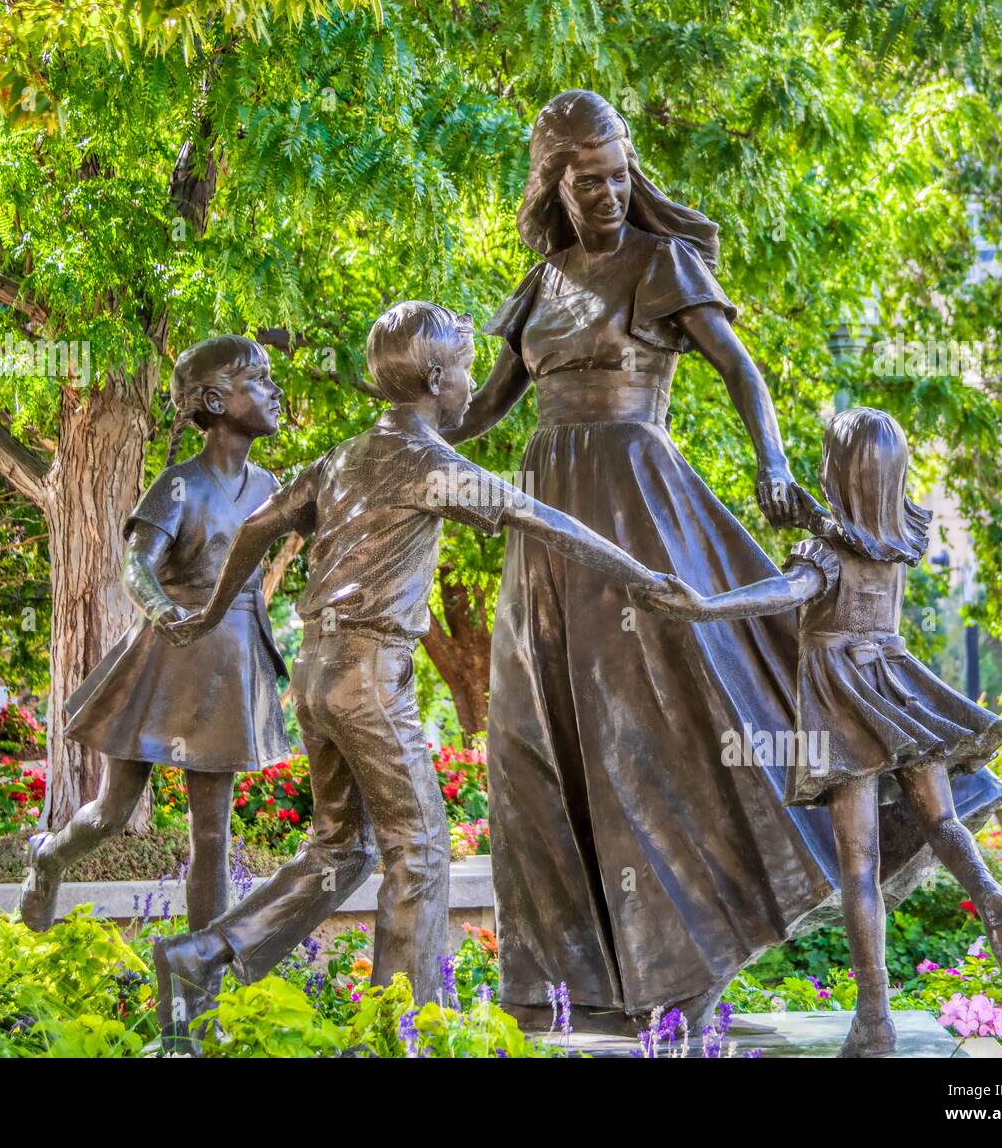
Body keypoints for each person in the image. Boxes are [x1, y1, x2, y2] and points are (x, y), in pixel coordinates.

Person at [446, 89, 1002, 1030]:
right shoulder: (541, 289)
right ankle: (576, 983)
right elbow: (479, 413)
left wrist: (773, 464)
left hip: (640, 510)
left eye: (621, 174)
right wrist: (401, 452)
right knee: (538, 733)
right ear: (554, 183)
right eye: (589, 181)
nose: (611, 193)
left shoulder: (659, 260)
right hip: (546, 522)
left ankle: (690, 955)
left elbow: (741, 370)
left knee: (673, 718)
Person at [152, 301, 682, 1049]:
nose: (471, 386)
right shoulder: (429, 463)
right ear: (438, 376)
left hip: (315, 670)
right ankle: (397, 1038)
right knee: (421, 848)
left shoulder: (342, 458)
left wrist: (208, 614)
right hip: (368, 671)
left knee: (340, 849)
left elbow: (258, 524)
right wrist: (643, 575)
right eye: (466, 370)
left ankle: (201, 954)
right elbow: (542, 519)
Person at [640, 407, 1002, 1056]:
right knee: (941, 820)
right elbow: (851, 547)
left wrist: (706, 605)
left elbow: (780, 591)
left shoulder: (823, 552)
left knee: (860, 864)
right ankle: (987, 892)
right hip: (899, 689)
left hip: (845, 705)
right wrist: (808, 520)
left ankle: (873, 1015)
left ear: (835, 472)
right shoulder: (898, 543)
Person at [18, 336, 291, 938]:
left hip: (232, 657)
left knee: (212, 835)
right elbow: (136, 566)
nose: (275, 391)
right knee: (112, 813)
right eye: (259, 381)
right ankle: (48, 857)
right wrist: (164, 613)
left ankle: (199, 984)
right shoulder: (178, 485)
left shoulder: (270, 486)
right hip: (167, 657)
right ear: (217, 402)